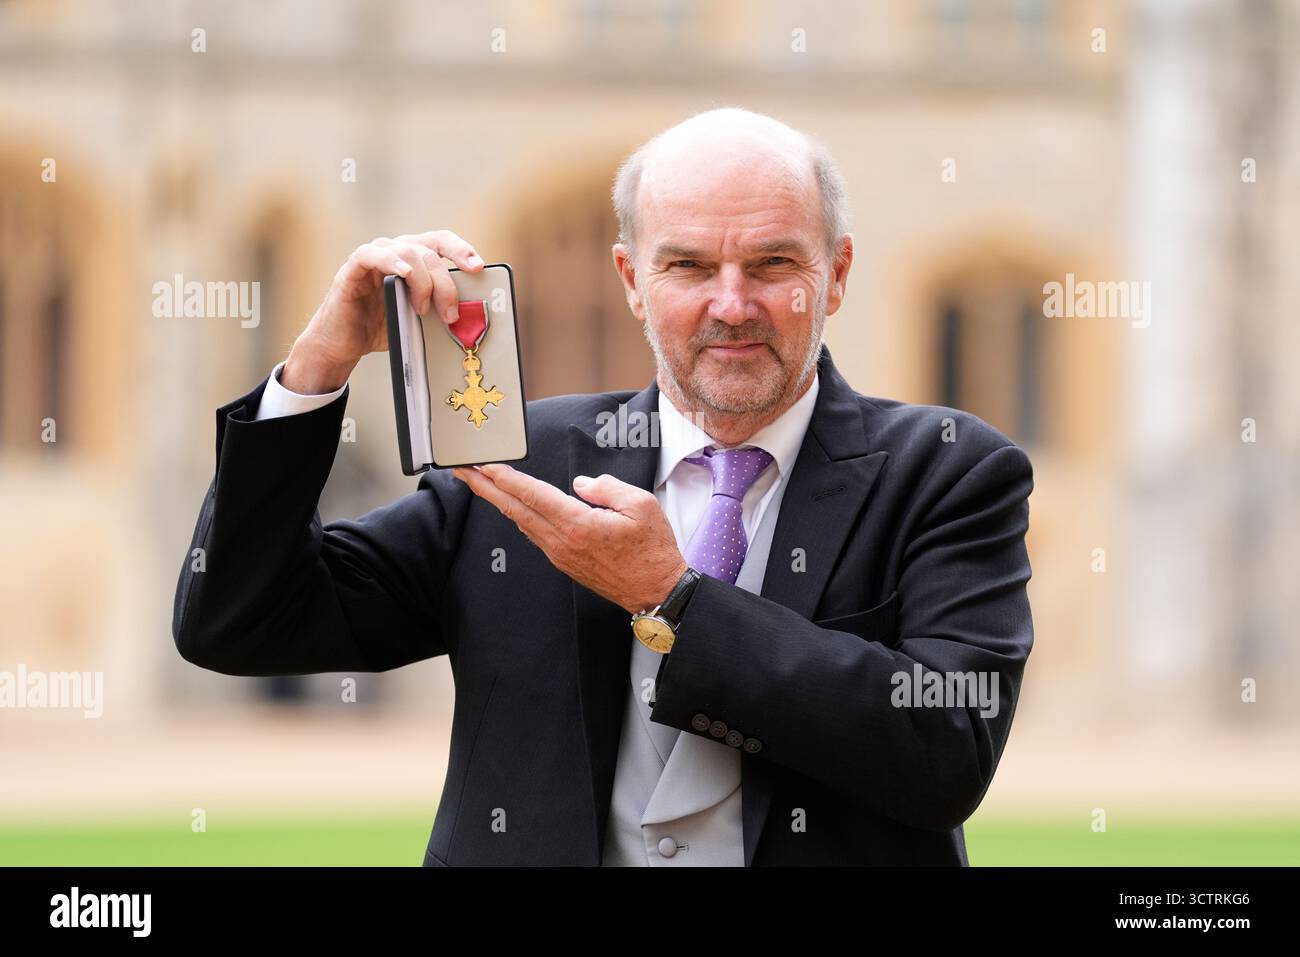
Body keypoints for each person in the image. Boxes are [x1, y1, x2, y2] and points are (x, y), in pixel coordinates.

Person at [172, 107, 1034, 866]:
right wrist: (315, 370)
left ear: (836, 274)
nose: (731, 304)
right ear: (630, 279)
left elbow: (946, 751)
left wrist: (672, 598)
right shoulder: (520, 462)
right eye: (689, 267)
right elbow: (238, 620)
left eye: (772, 264)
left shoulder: (950, 473)